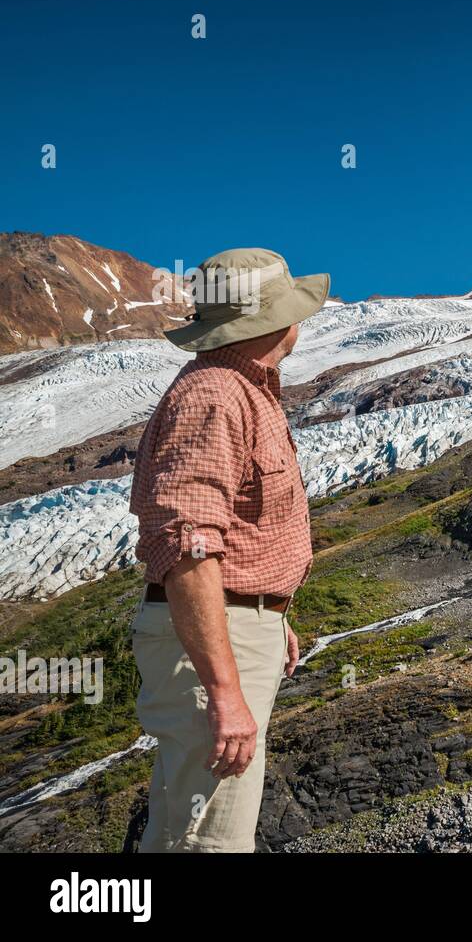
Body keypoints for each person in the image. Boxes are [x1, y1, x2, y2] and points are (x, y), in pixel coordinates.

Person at [128, 248, 327, 852]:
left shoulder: (240, 390)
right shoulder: (216, 395)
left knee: (182, 827)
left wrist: (268, 613)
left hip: (237, 627)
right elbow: (187, 544)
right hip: (217, 644)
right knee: (211, 838)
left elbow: (232, 535)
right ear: (274, 322)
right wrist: (223, 685)